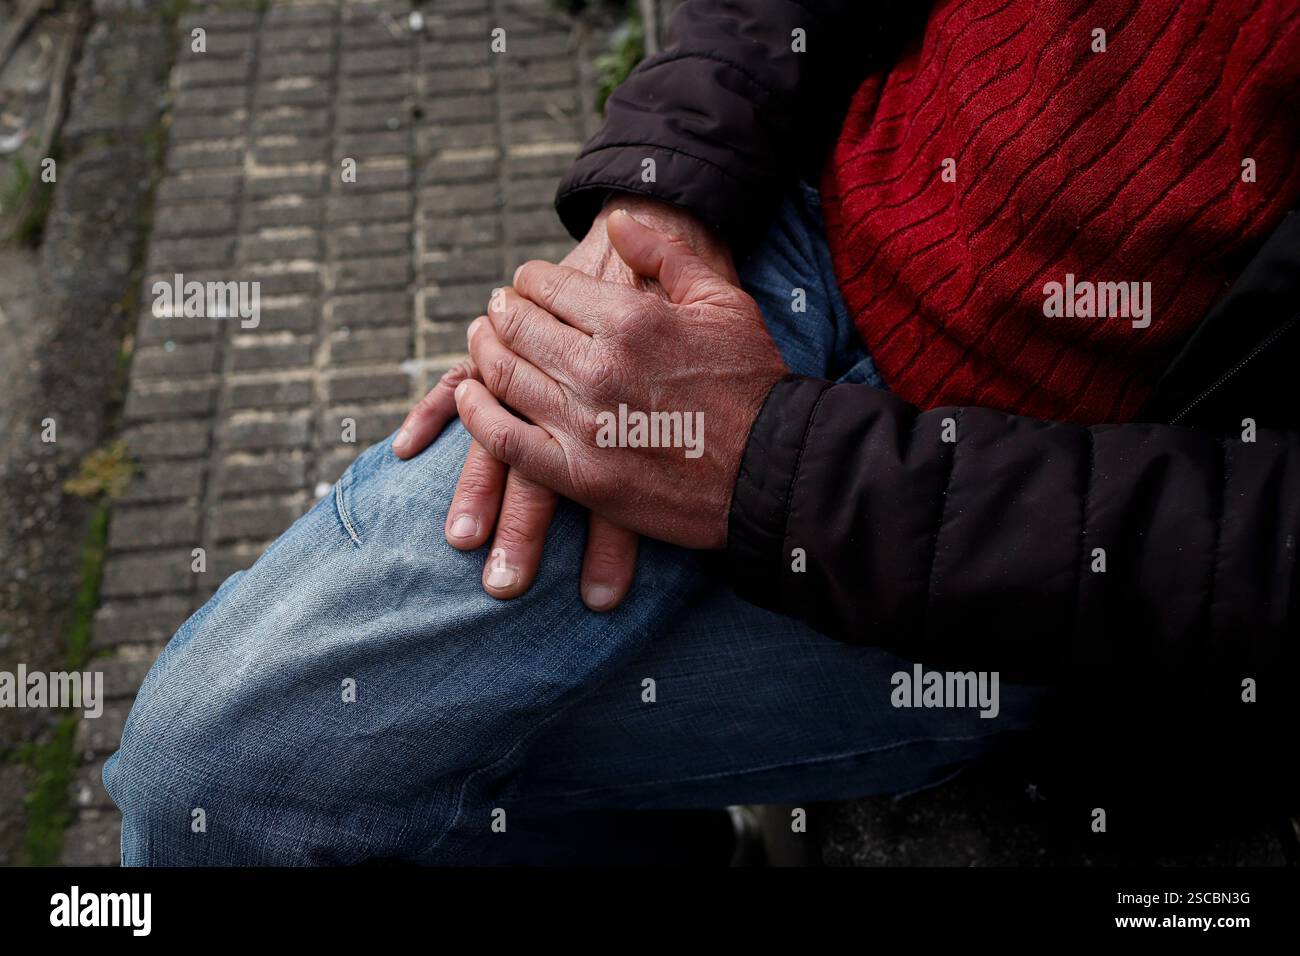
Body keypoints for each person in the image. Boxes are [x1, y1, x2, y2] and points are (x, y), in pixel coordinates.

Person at [105, 0, 1300, 864]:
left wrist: (770, 464)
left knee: (236, 776)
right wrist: (663, 190)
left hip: (1033, 538)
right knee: (219, 767)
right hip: (778, 245)